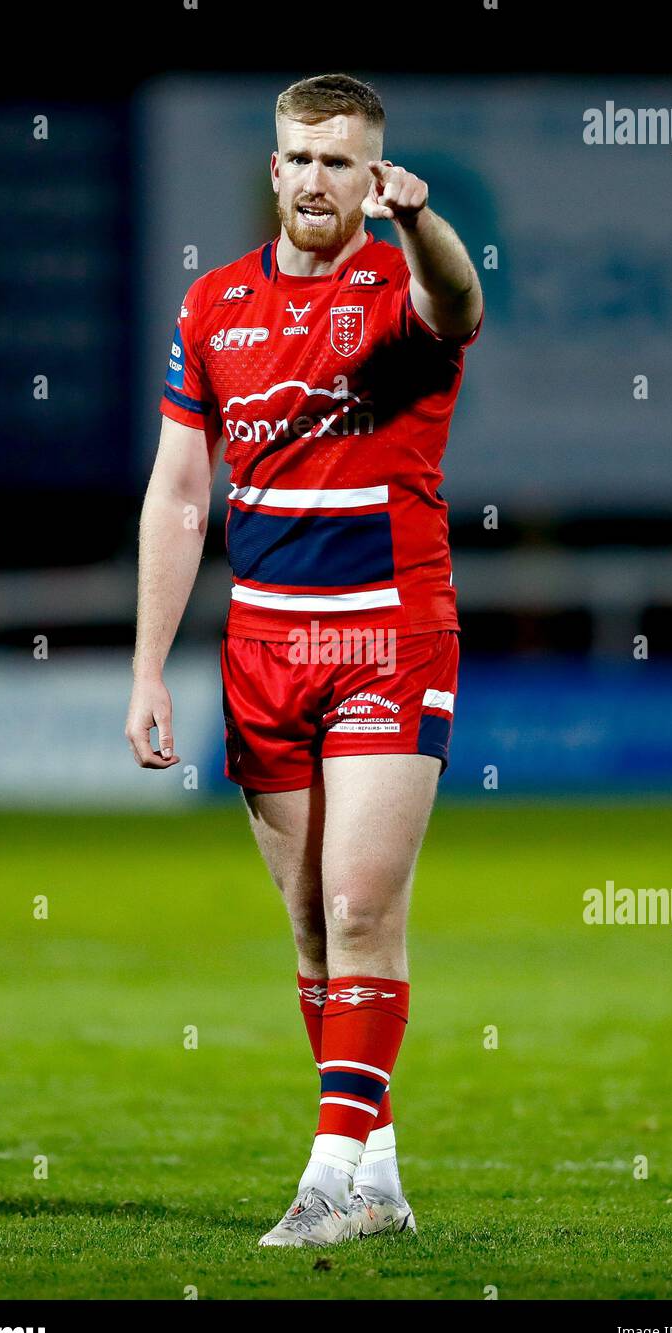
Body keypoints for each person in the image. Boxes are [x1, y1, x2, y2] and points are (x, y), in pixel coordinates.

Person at [126, 72, 483, 1246]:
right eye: (302, 158)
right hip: (263, 644)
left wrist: (421, 222)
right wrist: (145, 668)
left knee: (361, 901)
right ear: (273, 169)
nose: (319, 179)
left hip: (388, 631)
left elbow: (461, 300)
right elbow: (181, 491)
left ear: (371, 175)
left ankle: (325, 1178)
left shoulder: (401, 284)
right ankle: (375, 1173)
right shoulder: (212, 305)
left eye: (344, 161)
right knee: (312, 931)